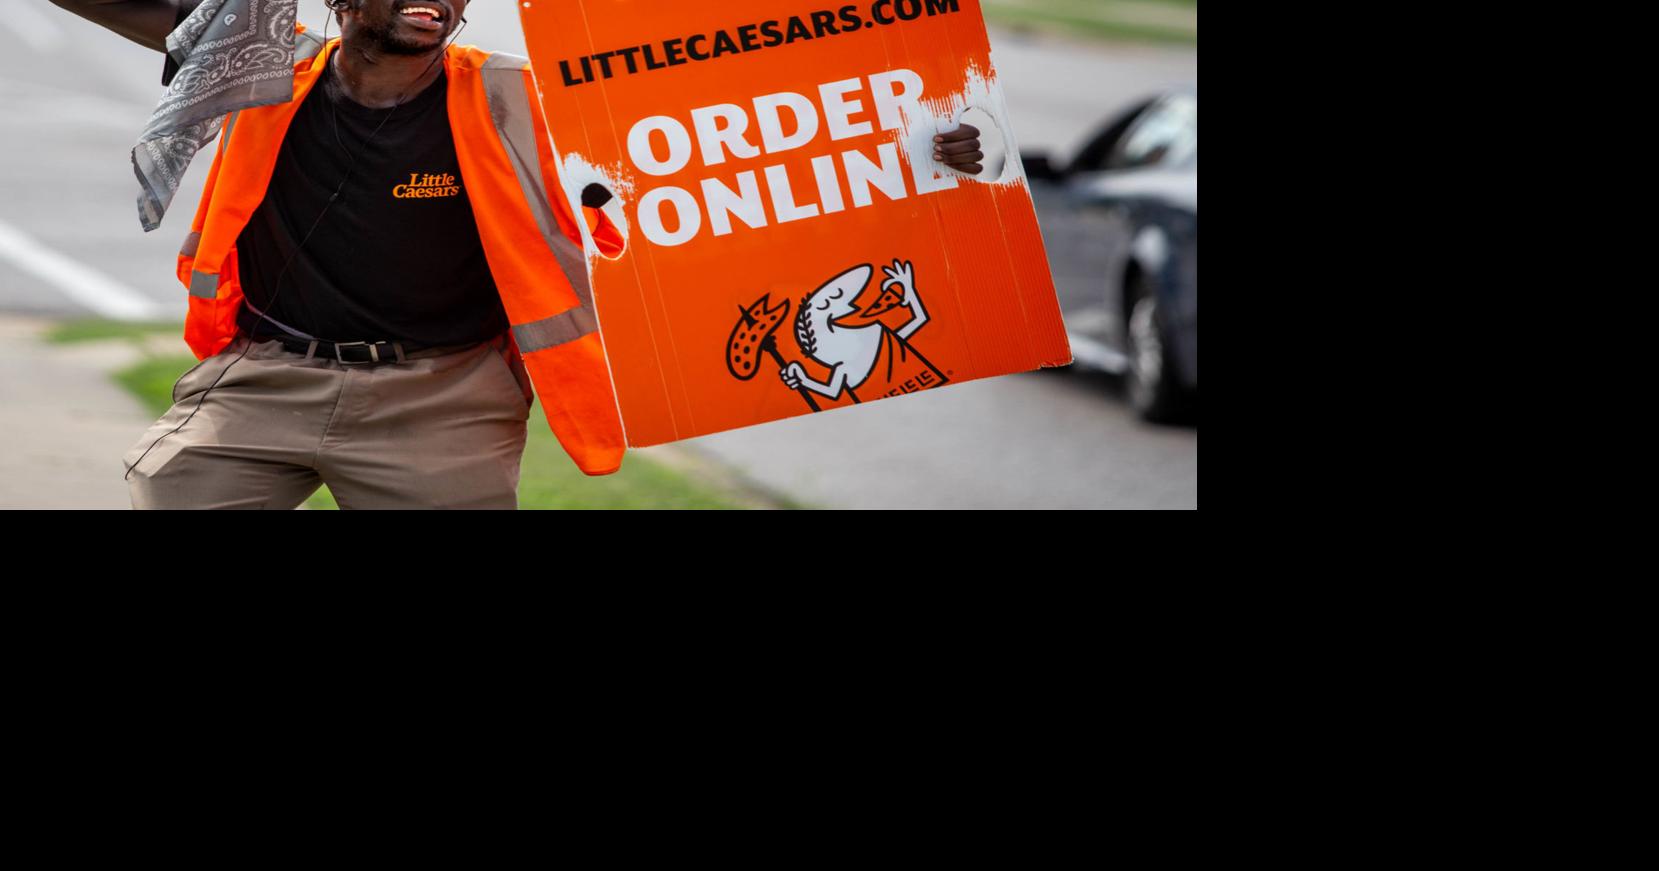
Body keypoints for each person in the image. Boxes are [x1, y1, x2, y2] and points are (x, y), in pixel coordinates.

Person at [52, 0, 988, 510]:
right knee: (171, 493)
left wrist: (920, 153)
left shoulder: (526, 102)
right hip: (263, 381)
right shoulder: (261, 69)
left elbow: (737, 155)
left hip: (442, 405)